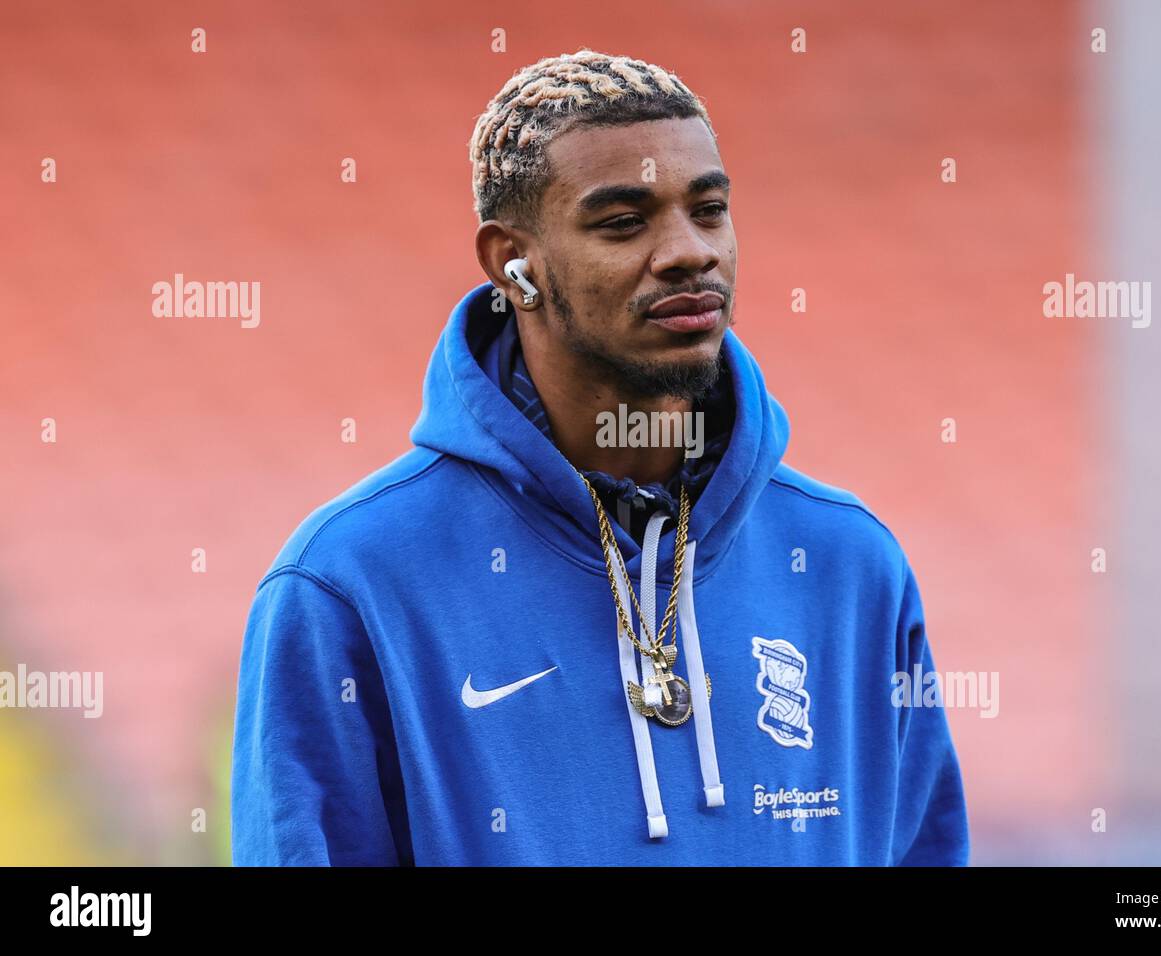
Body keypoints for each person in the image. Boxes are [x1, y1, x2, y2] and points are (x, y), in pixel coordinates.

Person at [231, 48, 969, 865]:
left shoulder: (849, 564)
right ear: (514, 264)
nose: (690, 251)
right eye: (624, 221)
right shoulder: (350, 584)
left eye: (710, 209)